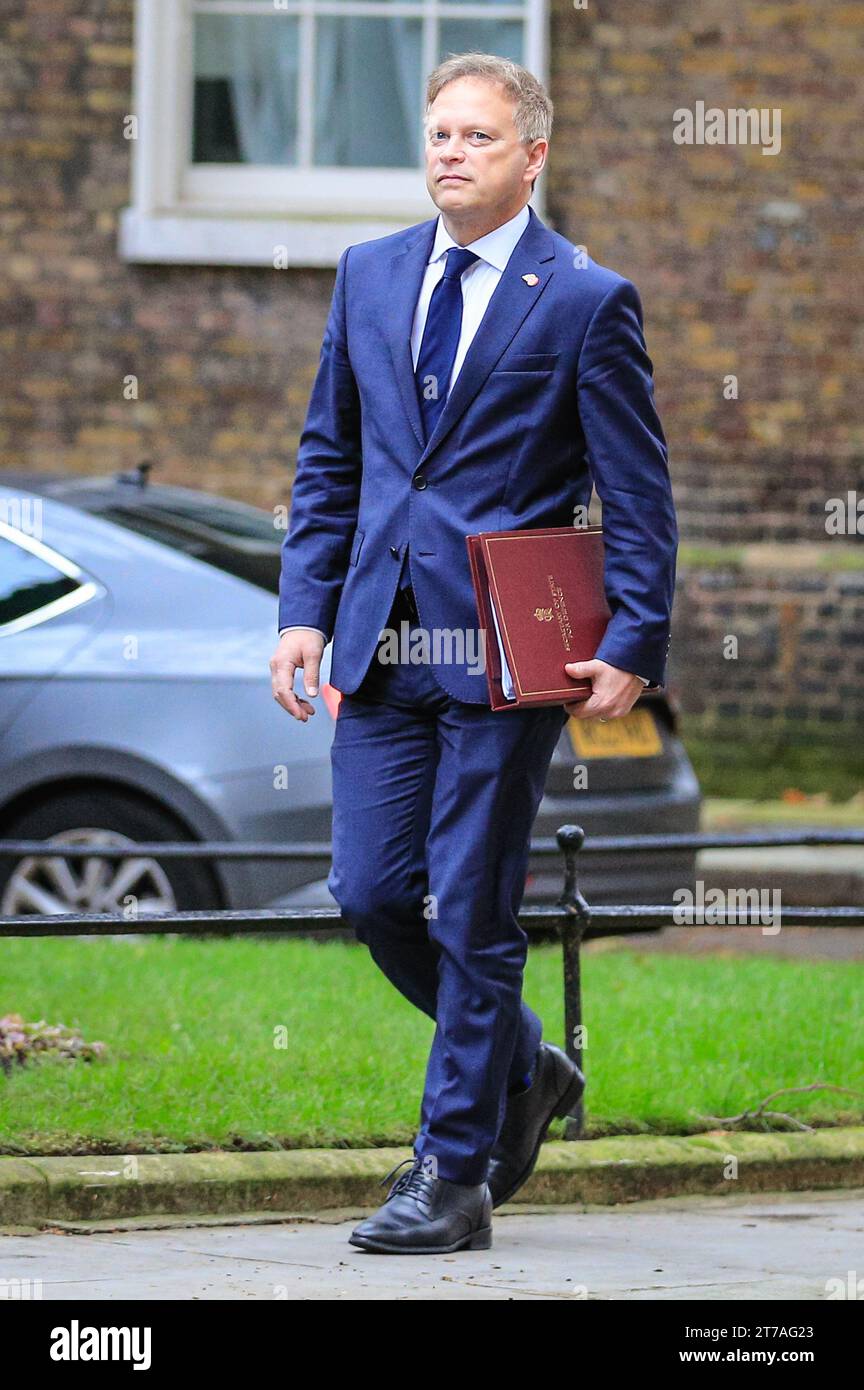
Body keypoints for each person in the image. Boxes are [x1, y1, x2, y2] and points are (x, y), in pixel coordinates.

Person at [270, 52, 678, 1255]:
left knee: (474, 910)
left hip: (506, 654)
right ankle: (527, 1065)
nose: (450, 151)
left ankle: (453, 1171)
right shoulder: (370, 273)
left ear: (532, 156)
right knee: (372, 890)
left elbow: (636, 490)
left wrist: (634, 638)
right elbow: (330, 457)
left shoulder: (585, 299)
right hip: (382, 644)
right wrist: (304, 609)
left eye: (479, 136)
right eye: (439, 133)